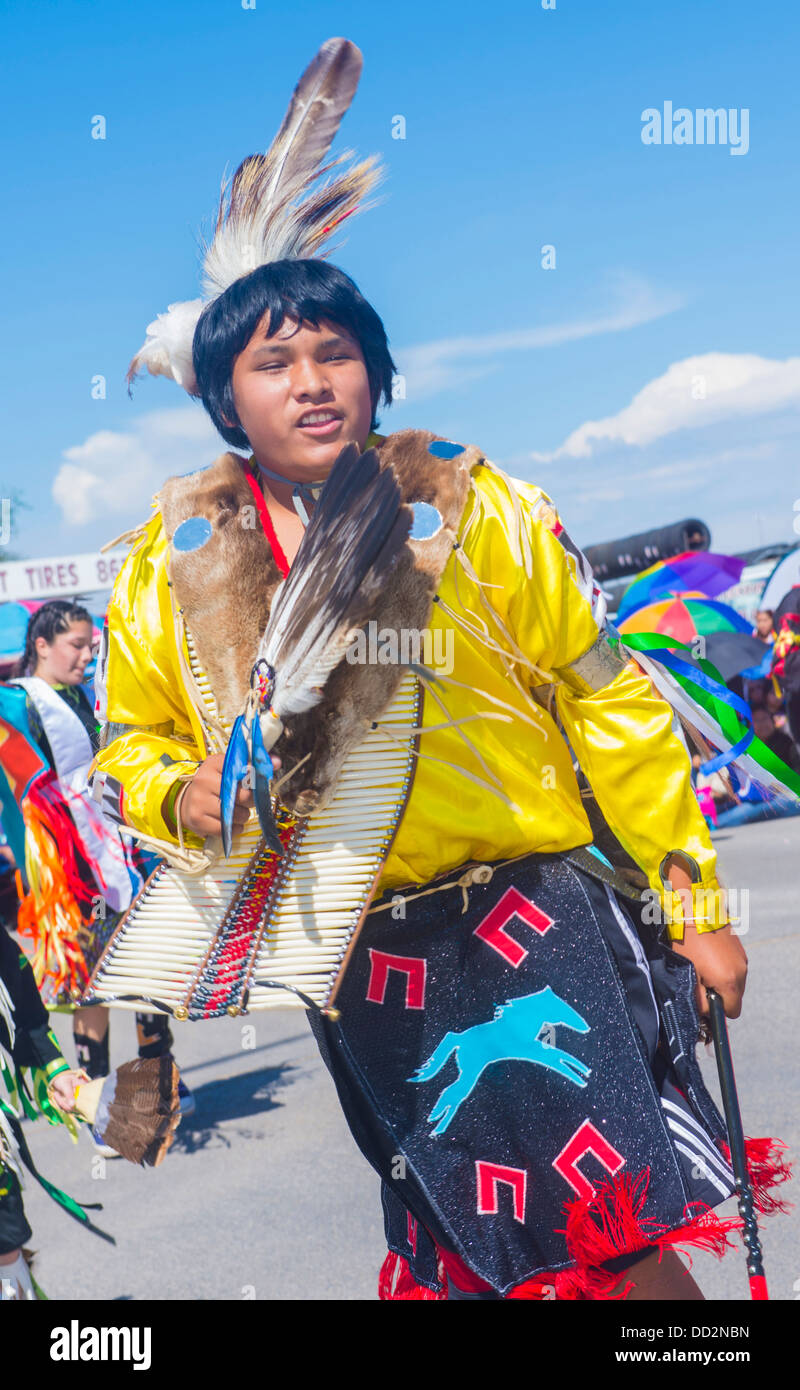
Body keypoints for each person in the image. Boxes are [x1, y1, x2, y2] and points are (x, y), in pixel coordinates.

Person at [90, 38, 788, 1301]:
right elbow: (129, 744)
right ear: (222, 397)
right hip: (353, 953)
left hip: (529, 918)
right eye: (271, 363)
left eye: (333, 353)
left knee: (610, 1235)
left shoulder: (472, 502)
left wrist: (691, 907)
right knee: (463, 1251)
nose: (311, 383)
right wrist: (179, 794)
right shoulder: (169, 563)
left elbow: (604, 697)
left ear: (374, 368)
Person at [3, 601, 194, 1149]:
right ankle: (105, 1109)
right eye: (76, 647)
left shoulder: (84, 697)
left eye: (91, 647)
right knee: (94, 991)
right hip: (68, 874)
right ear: (41, 646)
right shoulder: (16, 706)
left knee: (145, 969)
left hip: (118, 853)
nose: (88, 657)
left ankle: (160, 1087)